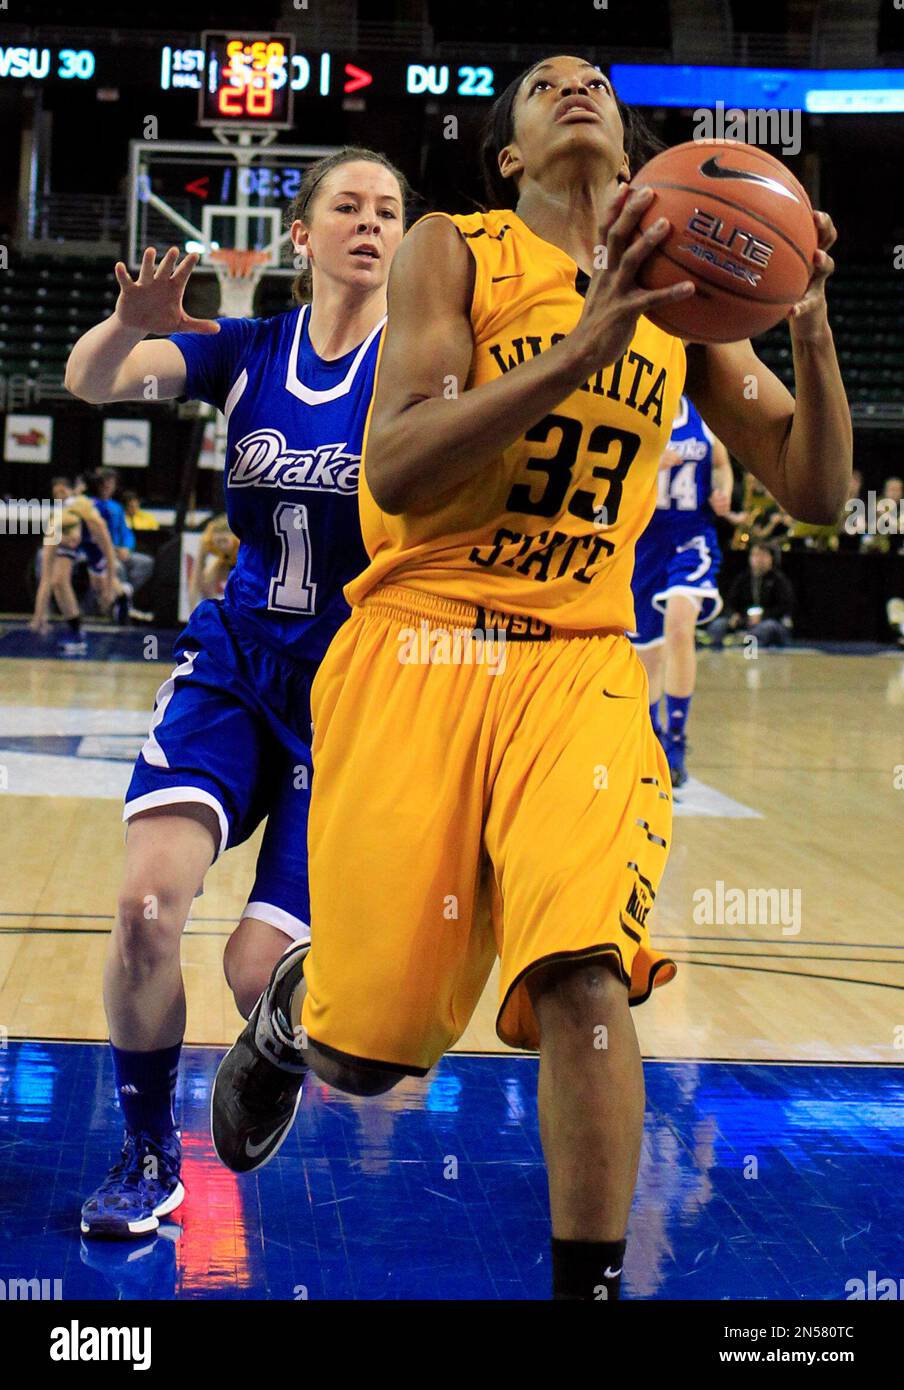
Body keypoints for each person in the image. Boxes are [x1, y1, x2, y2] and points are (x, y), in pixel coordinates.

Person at [212, 55, 850, 1300]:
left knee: (583, 969)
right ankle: (301, 1013)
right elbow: (394, 466)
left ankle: (588, 1290)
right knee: (370, 1056)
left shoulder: (690, 296)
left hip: (577, 664)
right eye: (544, 82)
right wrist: (576, 349)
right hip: (422, 640)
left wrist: (812, 323)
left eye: (594, 81)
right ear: (508, 151)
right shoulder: (457, 248)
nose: (573, 87)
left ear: (628, 144)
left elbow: (817, 491)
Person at [63, 145, 408, 1239]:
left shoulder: (426, 366)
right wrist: (132, 322)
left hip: (355, 697)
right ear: (297, 237)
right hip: (235, 662)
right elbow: (92, 381)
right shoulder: (247, 348)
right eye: (346, 206)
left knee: (258, 969)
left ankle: (297, 1042)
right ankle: (152, 1151)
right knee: (143, 908)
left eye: (388, 209)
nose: (369, 221)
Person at [630, 394, 732, 786]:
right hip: (645, 543)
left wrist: (723, 492)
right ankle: (652, 736)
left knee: (679, 624)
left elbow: (722, 466)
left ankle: (676, 739)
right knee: (649, 657)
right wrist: (652, 463)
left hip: (692, 538)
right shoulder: (639, 416)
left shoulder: (704, 417)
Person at [30, 478, 118, 656]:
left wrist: (109, 589)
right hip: (71, 526)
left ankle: (121, 601)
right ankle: (76, 630)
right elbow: (45, 579)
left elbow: (110, 556)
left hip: (94, 541)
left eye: (62, 492)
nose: (71, 541)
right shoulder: (54, 531)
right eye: (56, 493)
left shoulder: (94, 520)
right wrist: (38, 616)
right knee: (57, 581)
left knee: (103, 586)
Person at [708, 543, 794, 649]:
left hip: (771, 621)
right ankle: (715, 652)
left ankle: (744, 643)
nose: (759, 559)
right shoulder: (742, 579)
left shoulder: (779, 580)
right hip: (745, 620)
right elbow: (730, 603)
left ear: (770, 559)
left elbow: (785, 607)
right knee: (718, 625)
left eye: (763, 555)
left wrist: (762, 617)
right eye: (755, 555)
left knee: (766, 628)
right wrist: (734, 615)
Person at [188, 512, 239, 609]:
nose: (221, 546)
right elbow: (196, 574)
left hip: (242, 564)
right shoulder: (207, 540)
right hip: (225, 561)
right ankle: (215, 611)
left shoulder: (241, 541)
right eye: (218, 541)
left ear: (233, 537)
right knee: (206, 580)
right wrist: (192, 610)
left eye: (224, 541)